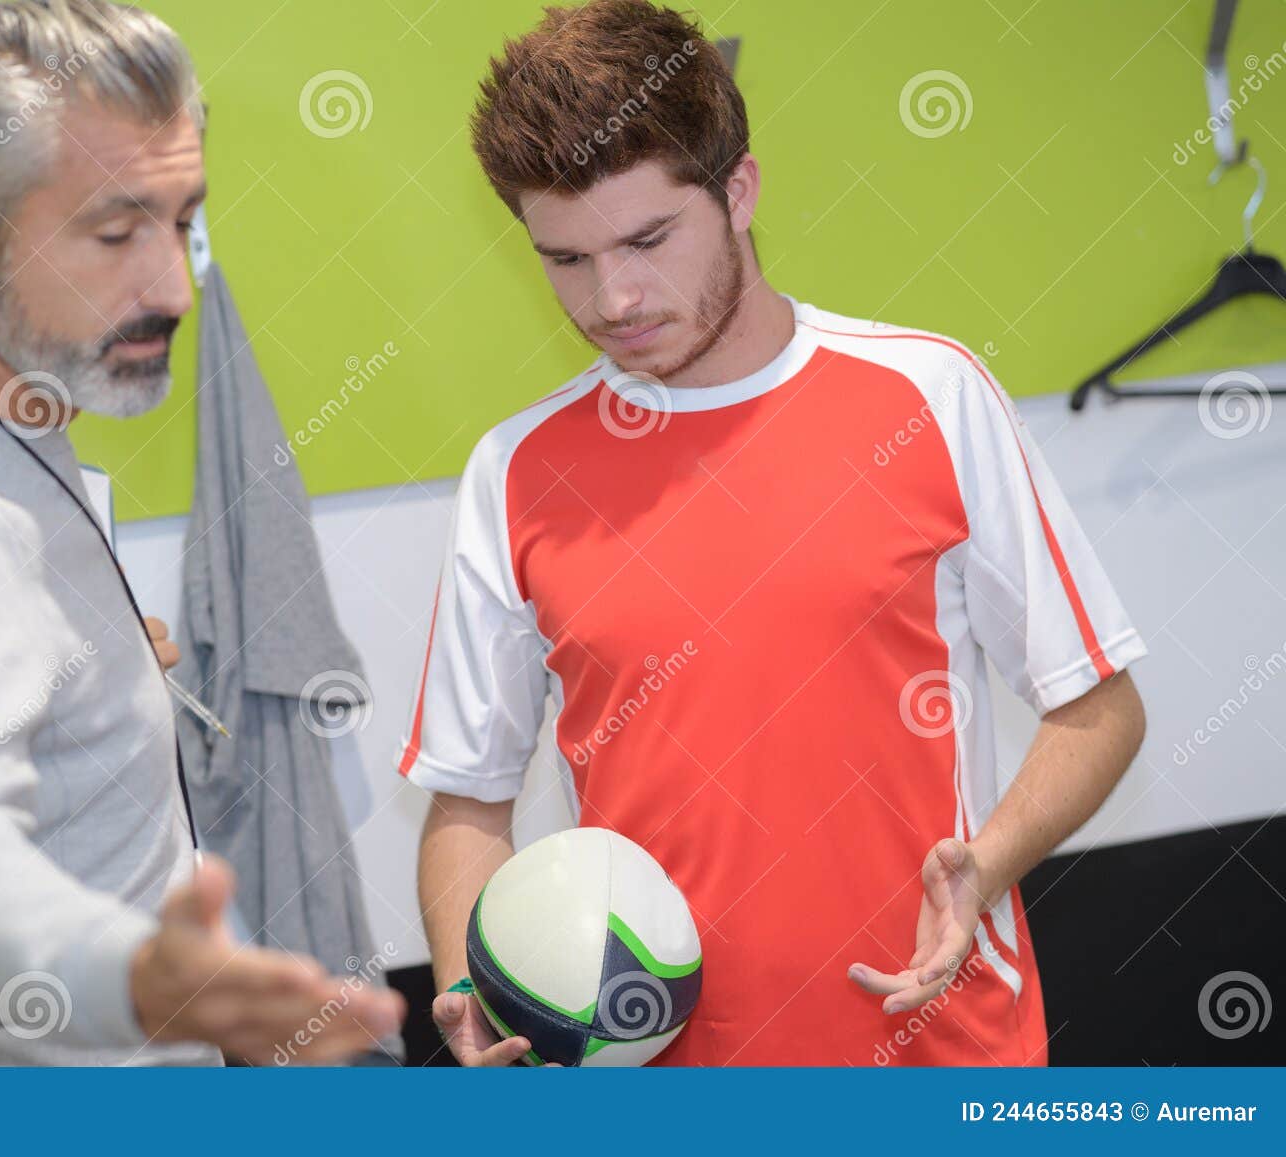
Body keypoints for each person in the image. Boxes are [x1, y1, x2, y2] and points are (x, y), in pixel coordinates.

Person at [400, 0, 1147, 1066]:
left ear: (738, 190)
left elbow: (1099, 709)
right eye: (564, 259)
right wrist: (471, 987)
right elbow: (468, 803)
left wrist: (985, 862)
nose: (612, 296)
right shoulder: (515, 472)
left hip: (942, 1059)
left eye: (648, 239)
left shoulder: (927, 394)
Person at [0, 0, 401, 1066]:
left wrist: (85, 664)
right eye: (114, 231)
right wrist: (138, 976)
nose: (174, 287)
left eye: (181, 222)